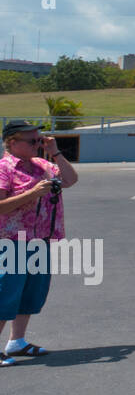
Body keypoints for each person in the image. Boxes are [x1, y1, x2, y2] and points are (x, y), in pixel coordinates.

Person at [0, 121, 79, 365]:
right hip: (12, 241)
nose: (38, 144)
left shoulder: (42, 165)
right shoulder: (4, 168)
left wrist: (55, 151)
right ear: (13, 142)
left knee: (30, 292)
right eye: (32, 141)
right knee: (5, 294)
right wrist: (33, 193)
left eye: (39, 139)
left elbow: (70, 179)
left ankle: (17, 341)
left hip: (40, 239)